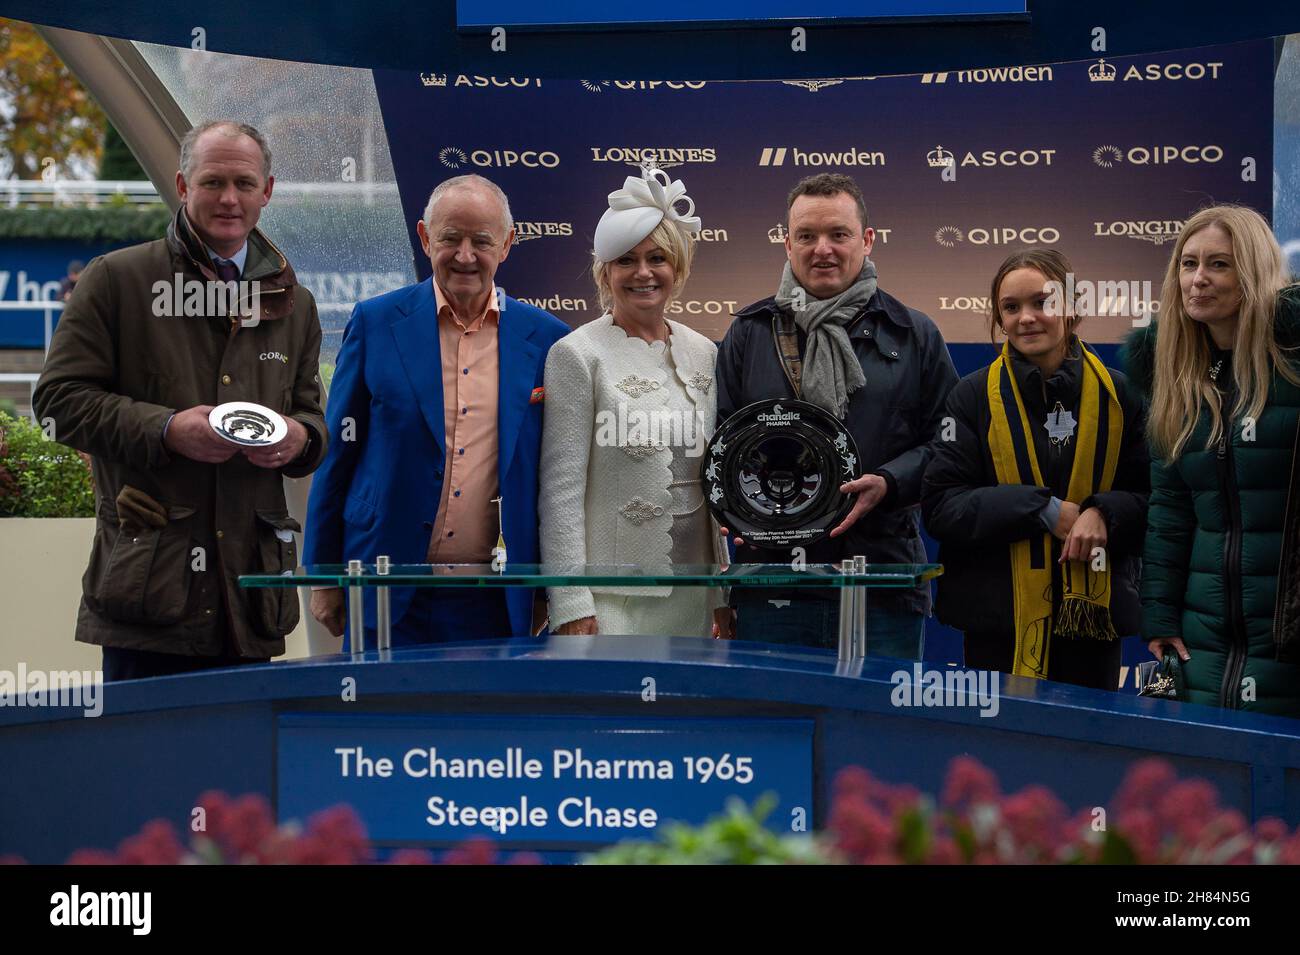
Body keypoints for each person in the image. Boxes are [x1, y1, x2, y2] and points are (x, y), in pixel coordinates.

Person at [33, 120, 327, 681]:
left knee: (240, 768)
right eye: (213, 181)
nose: (229, 198)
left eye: (245, 183)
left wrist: (300, 439)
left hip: (251, 598)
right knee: (144, 765)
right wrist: (167, 429)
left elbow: (311, 415)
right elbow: (56, 404)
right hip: (148, 593)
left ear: (268, 191)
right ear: (183, 185)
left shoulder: (294, 303)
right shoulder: (117, 280)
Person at [303, 174, 569, 646]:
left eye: (482, 241)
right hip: (384, 585)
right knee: (379, 715)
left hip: (498, 597)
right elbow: (338, 456)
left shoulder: (548, 339)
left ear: (507, 245)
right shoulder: (375, 322)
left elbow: (556, 480)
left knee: (485, 718)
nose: (465, 255)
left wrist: (550, 591)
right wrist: (323, 576)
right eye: (450, 238)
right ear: (426, 238)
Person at [715, 172, 957, 655]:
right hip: (775, 583)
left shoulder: (913, 333)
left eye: (838, 234)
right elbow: (723, 442)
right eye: (806, 235)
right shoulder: (748, 334)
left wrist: (889, 482)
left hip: (883, 578)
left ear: (866, 240)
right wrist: (737, 506)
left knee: (880, 728)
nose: (821, 249)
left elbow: (952, 442)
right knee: (780, 725)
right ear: (787, 244)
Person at [922, 249, 1149, 688]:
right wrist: (1043, 510)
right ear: (999, 318)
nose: (1026, 318)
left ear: (1072, 307)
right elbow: (942, 506)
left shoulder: (1122, 395)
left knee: (1085, 750)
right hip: (996, 625)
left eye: (1042, 302)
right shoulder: (968, 398)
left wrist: (1103, 513)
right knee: (999, 753)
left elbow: (1156, 501)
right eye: (1011, 307)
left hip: (1091, 622)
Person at [1122, 204, 1300, 715]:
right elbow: (1171, 511)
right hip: (1200, 641)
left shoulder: (1293, 369)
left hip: (1285, 640)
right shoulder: (1174, 381)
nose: (1198, 279)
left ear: (1254, 272)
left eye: (1218, 264)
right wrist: (1158, 614)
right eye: (1188, 263)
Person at [540, 168, 727, 637]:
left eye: (657, 258)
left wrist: (723, 594)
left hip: (695, 593)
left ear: (677, 268)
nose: (643, 273)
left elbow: (715, 487)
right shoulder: (577, 355)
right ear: (605, 271)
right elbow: (560, 493)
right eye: (626, 260)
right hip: (610, 599)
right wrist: (570, 602)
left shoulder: (705, 352)